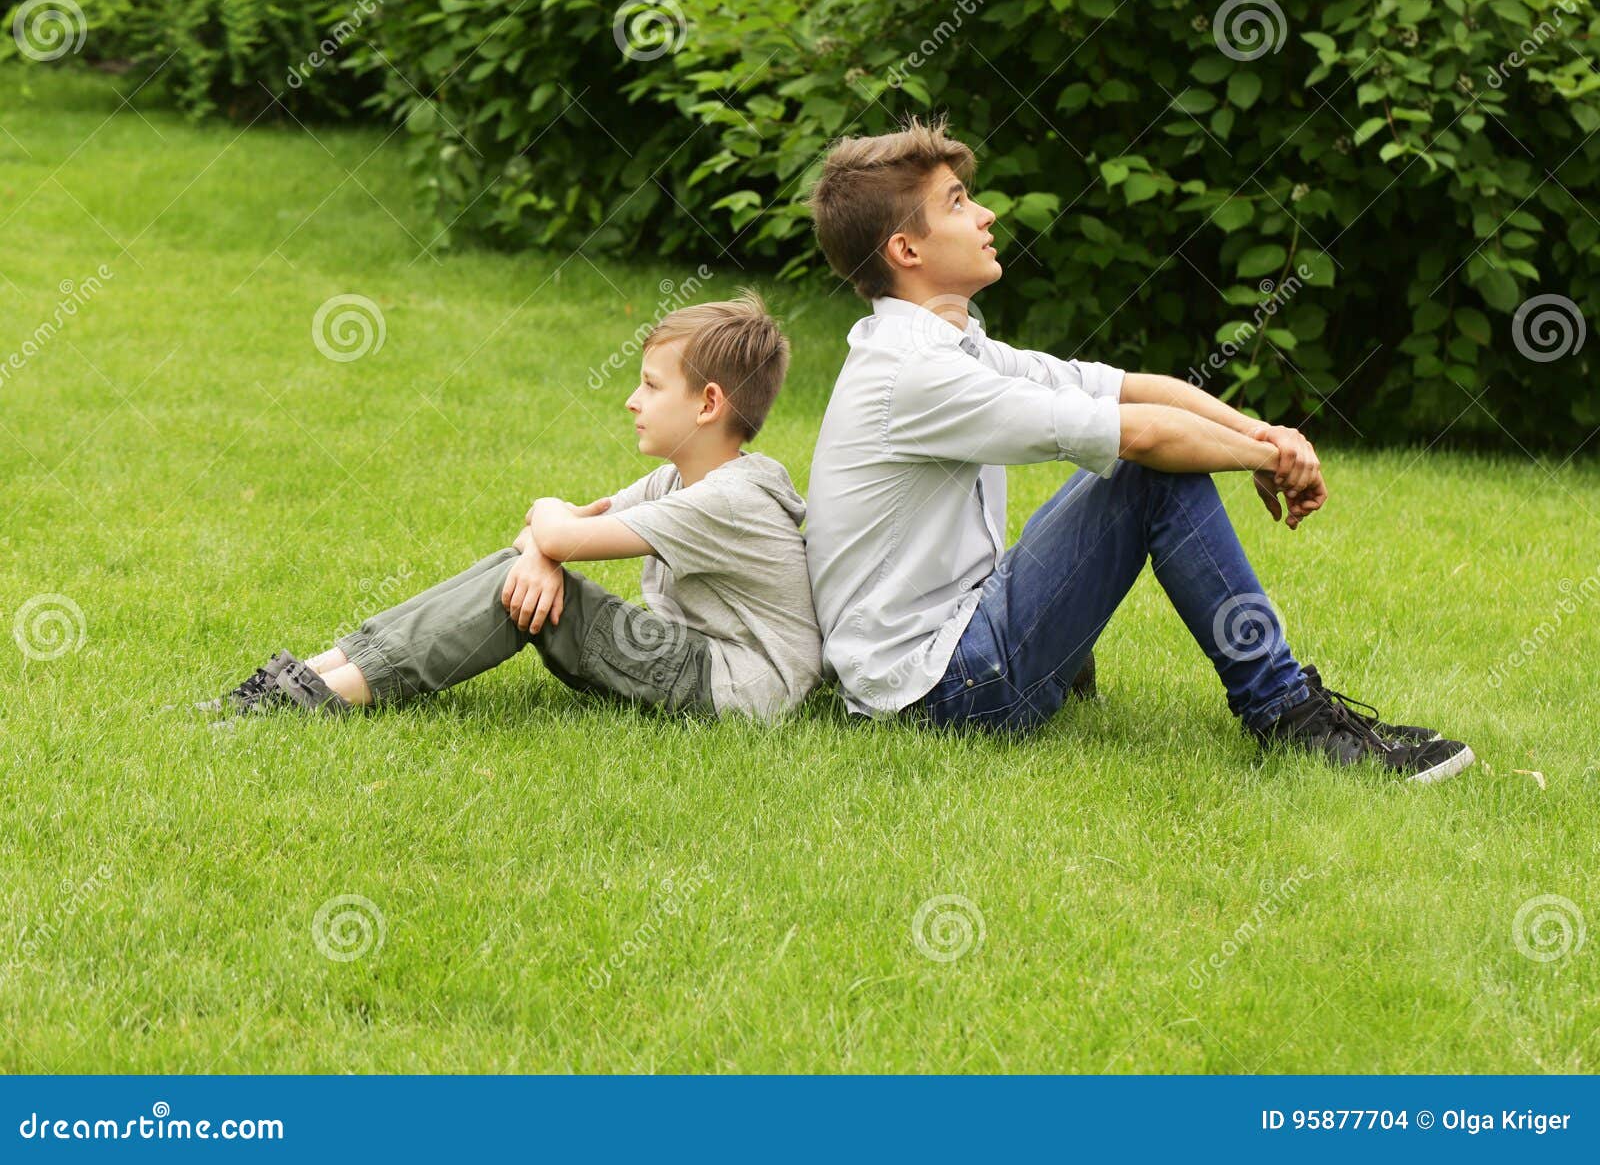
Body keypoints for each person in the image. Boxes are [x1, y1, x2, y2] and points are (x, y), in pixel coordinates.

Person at [802, 115, 1472, 783]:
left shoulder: (948, 345)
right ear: (905, 251)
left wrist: (1261, 434)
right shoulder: (914, 372)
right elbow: (1144, 435)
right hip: (937, 693)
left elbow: (1126, 390)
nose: (986, 212)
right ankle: (1288, 715)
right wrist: (1266, 461)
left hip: (948, 644)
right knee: (1147, 473)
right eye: (956, 202)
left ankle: (1274, 706)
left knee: (1143, 458)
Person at [194, 291, 822, 724]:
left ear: (708, 404)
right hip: (694, 661)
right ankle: (306, 676)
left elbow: (557, 527)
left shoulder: (728, 501)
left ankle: (312, 697)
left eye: (651, 386)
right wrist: (546, 546)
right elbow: (548, 535)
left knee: (515, 590)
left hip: (732, 690)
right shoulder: (677, 481)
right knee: (516, 572)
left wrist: (549, 527)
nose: (632, 400)